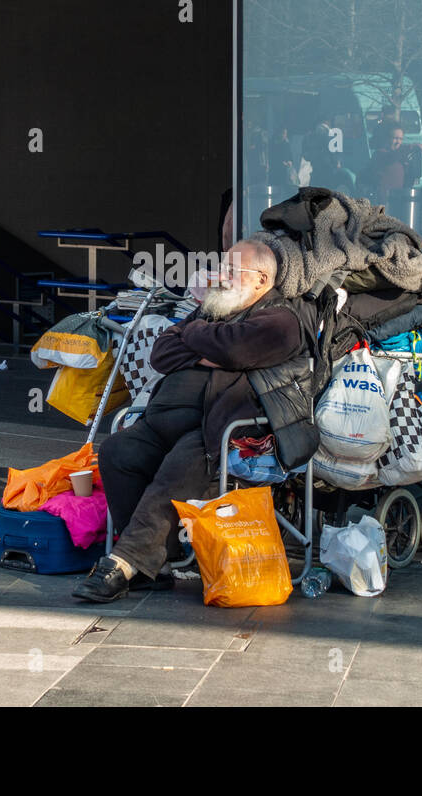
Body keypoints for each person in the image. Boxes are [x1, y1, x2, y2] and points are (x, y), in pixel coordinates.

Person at [73, 239, 314, 603]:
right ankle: (157, 566)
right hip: (162, 422)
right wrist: (209, 346)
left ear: (262, 280)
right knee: (117, 452)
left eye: (233, 271)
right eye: (223, 268)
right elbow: (162, 352)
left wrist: (196, 338)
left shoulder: (281, 320)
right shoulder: (215, 309)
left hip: (223, 428)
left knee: (182, 465)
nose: (221, 277)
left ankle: (123, 564)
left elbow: (233, 349)